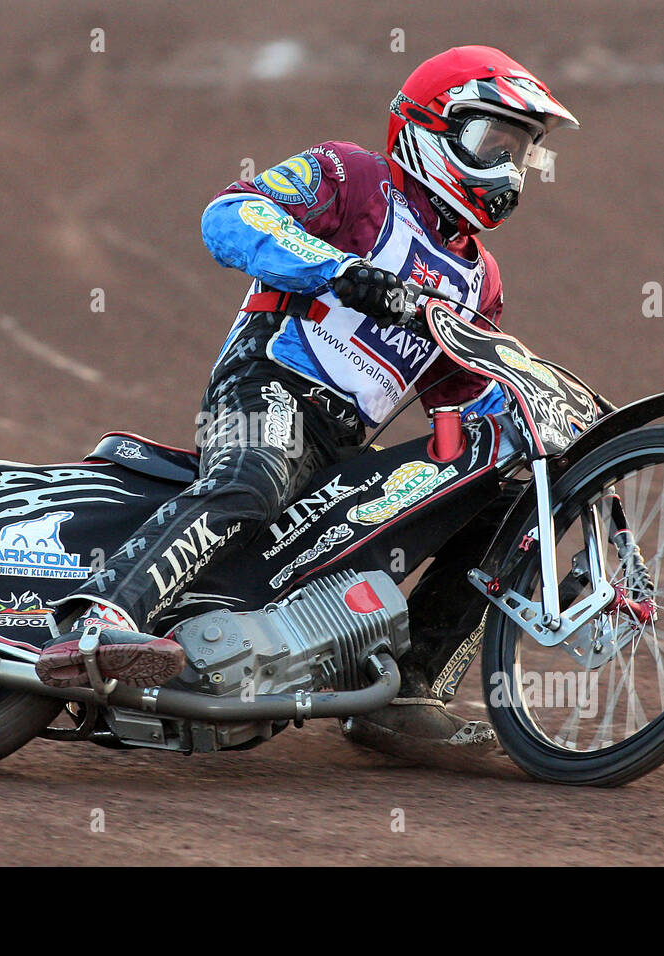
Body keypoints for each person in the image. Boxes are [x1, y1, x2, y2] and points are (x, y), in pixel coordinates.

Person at [36, 45, 578, 764]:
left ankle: (412, 688)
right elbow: (228, 216)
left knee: (499, 495)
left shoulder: (481, 284)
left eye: (521, 152)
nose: (508, 170)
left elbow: (460, 397)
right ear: (430, 126)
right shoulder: (354, 177)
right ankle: (101, 615)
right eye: (493, 142)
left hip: (341, 444)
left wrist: (533, 434)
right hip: (262, 381)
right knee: (253, 474)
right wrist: (342, 272)